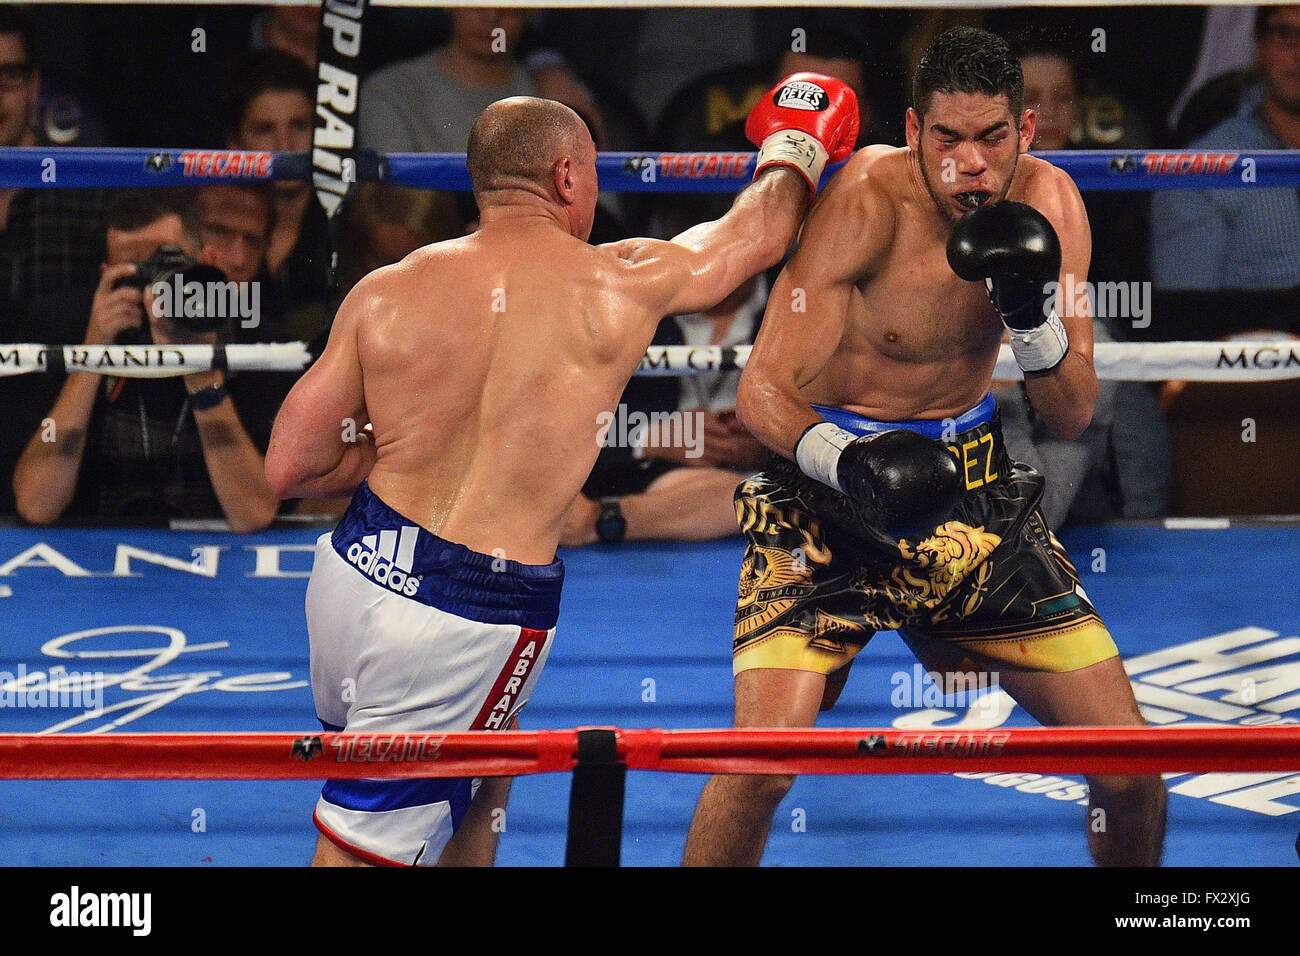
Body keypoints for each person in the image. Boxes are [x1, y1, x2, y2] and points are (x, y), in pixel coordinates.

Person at [263, 79, 860, 866]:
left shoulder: (387, 290)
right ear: (569, 178)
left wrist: (403, 444)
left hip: (353, 572)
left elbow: (290, 465)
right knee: (361, 850)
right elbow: (752, 237)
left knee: (486, 776)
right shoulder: (619, 281)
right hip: (463, 611)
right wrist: (797, 142)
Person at [683, 27, 1166, 868]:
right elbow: (763, 393)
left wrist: (1030, 317)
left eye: (990, 139)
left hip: (973, 497)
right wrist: (849, 460)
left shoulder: (1052, 207)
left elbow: (1070, 413)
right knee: (756, 768)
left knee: (1131, 770)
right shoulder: (865, 202)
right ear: (913, 132)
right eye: (946, 139)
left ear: (1029, 132)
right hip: (826, 494)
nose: (967, 166)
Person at [12, 189, 287, 532]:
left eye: (167, 265)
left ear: (202, 262)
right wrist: (92, 354)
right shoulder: (67, 326)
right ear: (106, 274)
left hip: (215, 551)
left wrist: (199, 366)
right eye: (137, 271)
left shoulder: (251, 336)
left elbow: (254, 512)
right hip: (96, 546)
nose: (154, 288)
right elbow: (37, 504)